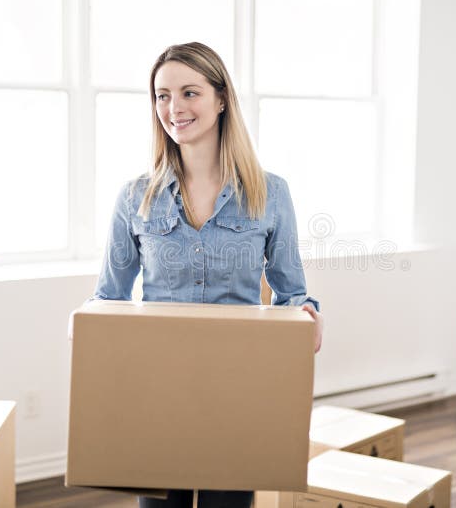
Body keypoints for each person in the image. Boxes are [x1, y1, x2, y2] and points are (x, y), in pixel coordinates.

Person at [94, 41, 324, 508]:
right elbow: (109, 299)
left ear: (221, 100)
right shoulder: (135, 197)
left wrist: (307, 315)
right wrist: (85, 325)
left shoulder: (270, 192)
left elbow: (291, 294)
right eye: (161, 95)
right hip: (158, 388)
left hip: (236, 388)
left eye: (189, 92)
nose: (173, 107)